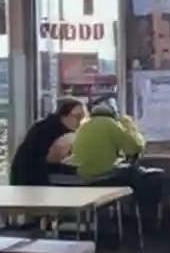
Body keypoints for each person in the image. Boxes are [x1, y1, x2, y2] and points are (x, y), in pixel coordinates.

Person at [68, 99, 163, 236]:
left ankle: (128, 218)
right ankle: (144, 224)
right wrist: (131, 130)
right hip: (104, 175)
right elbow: (134, 147)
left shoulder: (83, 126)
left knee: (133, 174)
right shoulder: (112, 125)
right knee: (149, 178)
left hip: (84, 176)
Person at [9, 99, 84, 187]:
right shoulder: (56, 133)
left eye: (82, 118)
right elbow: (53, 158)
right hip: (32, 176)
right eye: (77, 117)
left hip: (23, 174)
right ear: (64, 115)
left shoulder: (45, 125)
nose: (79, 122)